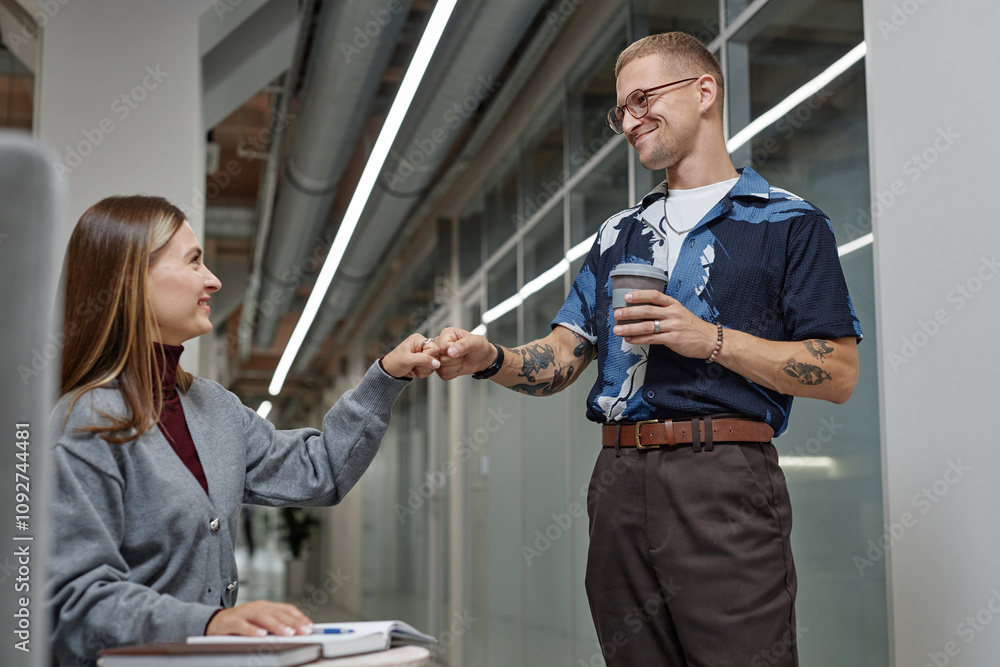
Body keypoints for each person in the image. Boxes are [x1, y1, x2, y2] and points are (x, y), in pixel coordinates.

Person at [433, 32, 862, 666]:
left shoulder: (788, 223)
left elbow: (838, 372)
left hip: (723, 478)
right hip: (618, 480)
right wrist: (489, 358)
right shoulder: (618, 234)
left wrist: (709, 339)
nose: (629, 122)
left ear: (705, 91)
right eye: (621, 111)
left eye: (643, 100)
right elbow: (561, 360)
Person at [46, 195, 441, 666]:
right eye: (193, 261)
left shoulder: (214, 408)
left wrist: (387, 377)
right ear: (132, 280)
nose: (212, 279)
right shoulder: (87, 423)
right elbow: (73, 602)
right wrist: (208, 626)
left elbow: (320, 471)